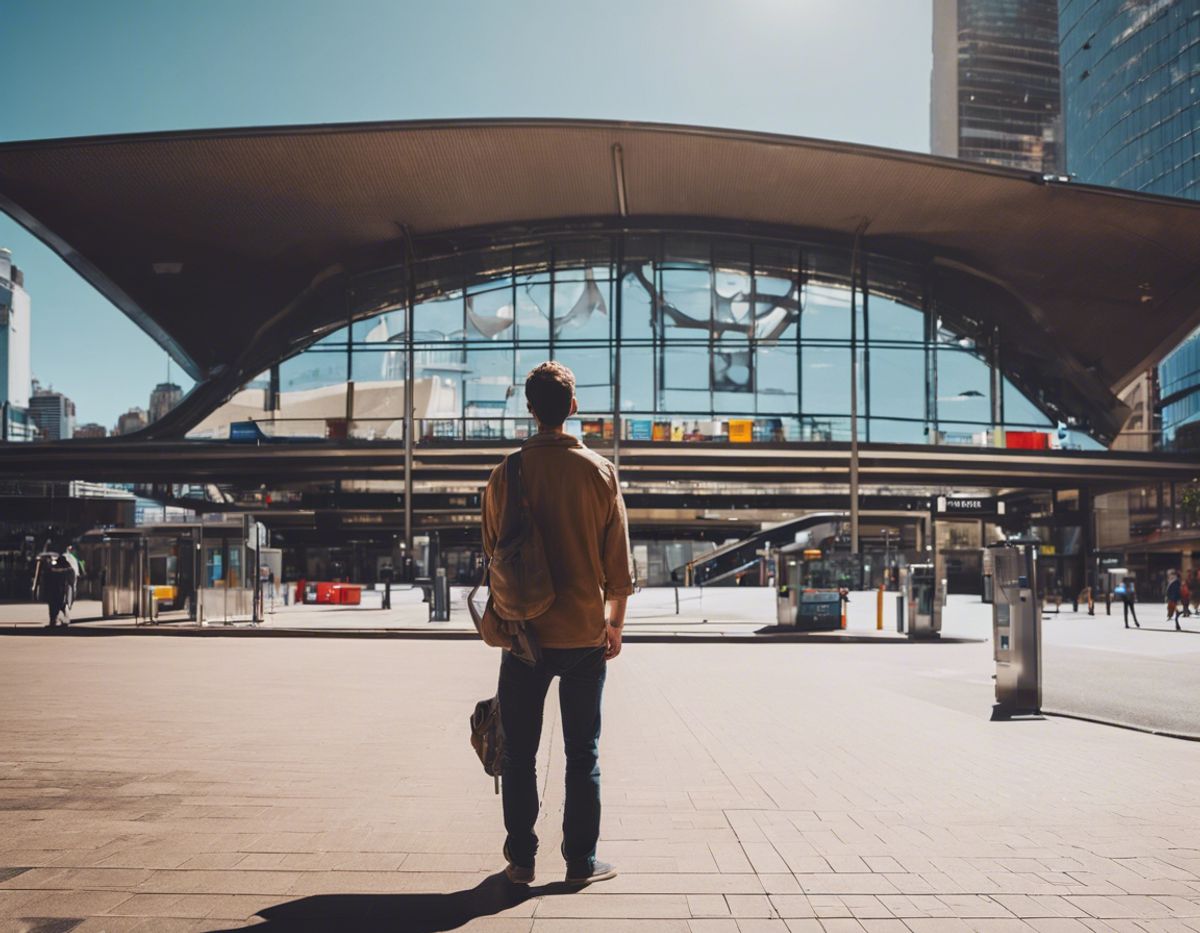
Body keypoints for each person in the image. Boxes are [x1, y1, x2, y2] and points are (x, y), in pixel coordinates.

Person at [481, 361, 634, 887]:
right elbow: (619, 566)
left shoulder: (507, 472)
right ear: (572, 407)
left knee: (519, 752)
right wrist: (614, 624)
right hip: (585, 634)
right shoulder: (599, 471)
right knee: (581, 753)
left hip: (523, 634)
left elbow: (492, 550)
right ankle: (580, 862)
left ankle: (521, 859)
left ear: (529, 409)